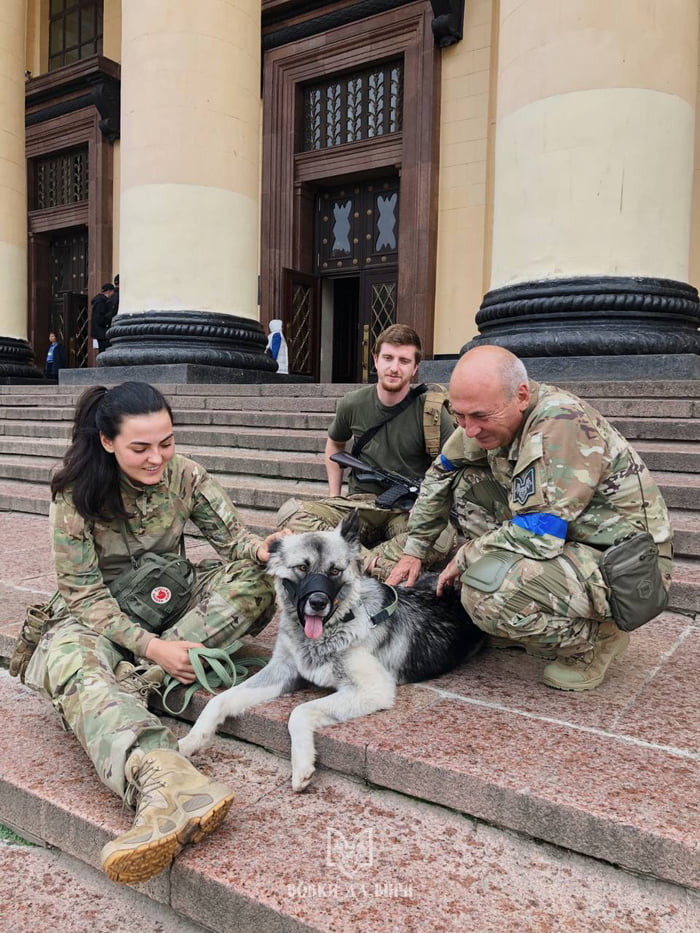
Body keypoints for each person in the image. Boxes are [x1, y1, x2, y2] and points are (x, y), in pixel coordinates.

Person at [18, 382, 282, 884]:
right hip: (105, 616)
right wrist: (153, 649)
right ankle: (165, 783)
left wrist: (264, 550)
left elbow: (234, 543)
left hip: (173, 600)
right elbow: (84, 597)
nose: (157, 457)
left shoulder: (186, 476)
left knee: (258, 582)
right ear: (107, 441)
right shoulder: (75, 493)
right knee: (68, 656)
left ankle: (132, 682)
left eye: (167, 442)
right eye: (140, 447)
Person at [386, 346, 673, 691]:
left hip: (627, 563)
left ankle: (596, 640)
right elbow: (441, 472)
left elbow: (538, 533)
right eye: (459, 416)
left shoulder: (561, 425)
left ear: (520, 396)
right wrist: (414, 550)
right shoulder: (489, 417)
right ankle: (526, 611)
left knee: (483, 590)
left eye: (479, 416)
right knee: (467, 484)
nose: (469, 430)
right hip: (571, 538)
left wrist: (466, 555)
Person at [277, 324, 456, 580]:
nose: (394, 367)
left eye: (404, 360)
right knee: (291, 514)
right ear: (375, 360)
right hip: (361, 504)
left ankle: (344, 561)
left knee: (442, 536)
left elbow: (454, 464)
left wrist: (430, 502)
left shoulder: (433, 412)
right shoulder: (353, 403)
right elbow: (334, 444)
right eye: (388, 358)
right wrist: (333, 495)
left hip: (407, 510)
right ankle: (376, 566)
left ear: (415, 368)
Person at [91, 282, 115, 353]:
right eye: (113, 292)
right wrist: (110, 315)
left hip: (100, 333)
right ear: (109, 291)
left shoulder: (100, 301)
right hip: (102, 334)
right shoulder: (100, 302)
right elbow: (100, 319)